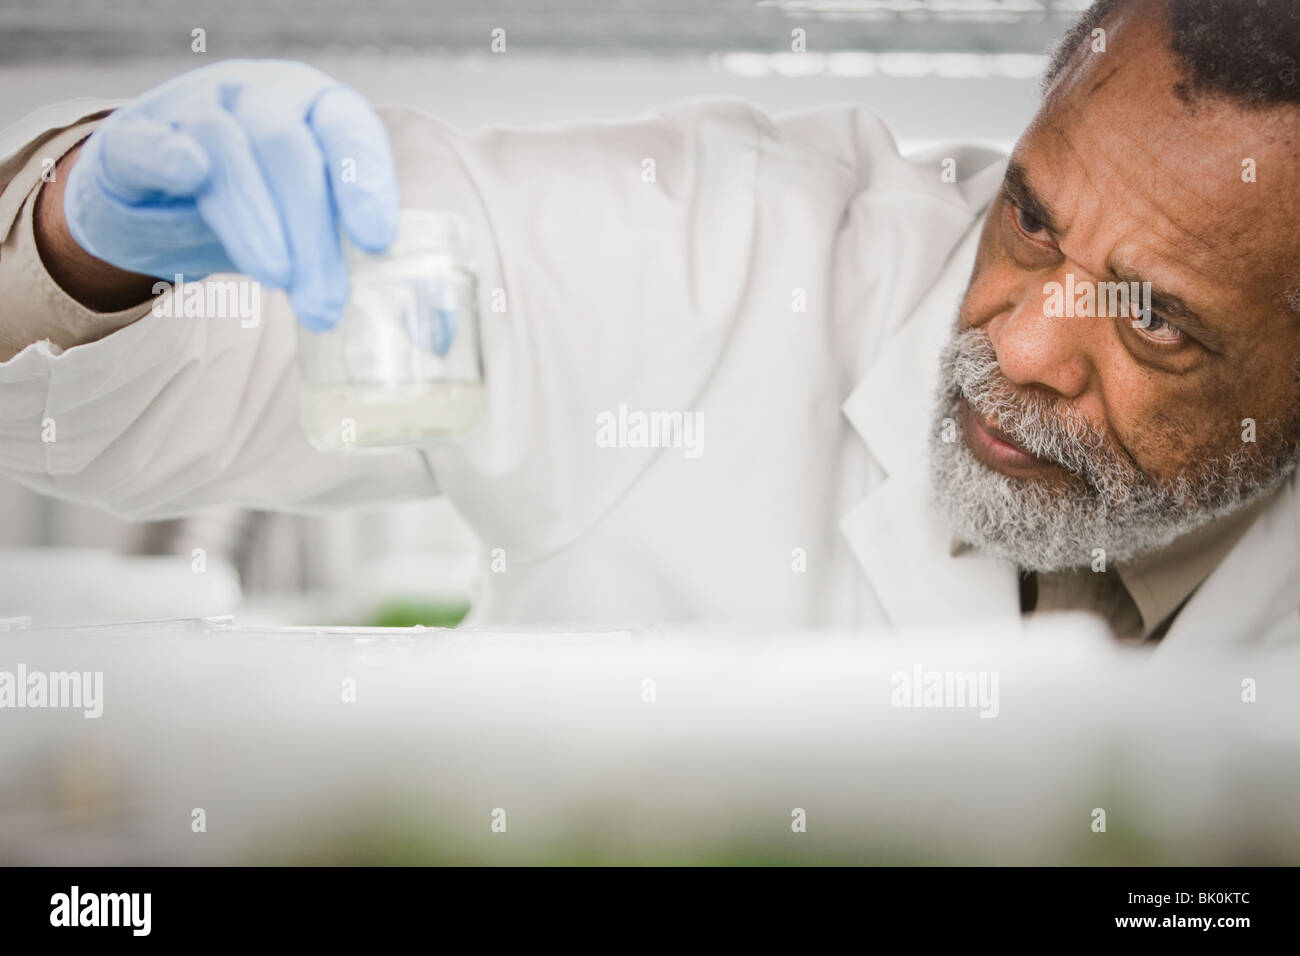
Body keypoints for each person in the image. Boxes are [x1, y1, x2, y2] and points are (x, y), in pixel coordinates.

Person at [1, 0, 1297, 650]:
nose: (1019, 348)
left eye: (1155, 328)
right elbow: (226, 366)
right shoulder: (715, 266)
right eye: (1028, 220)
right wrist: (78, 244)